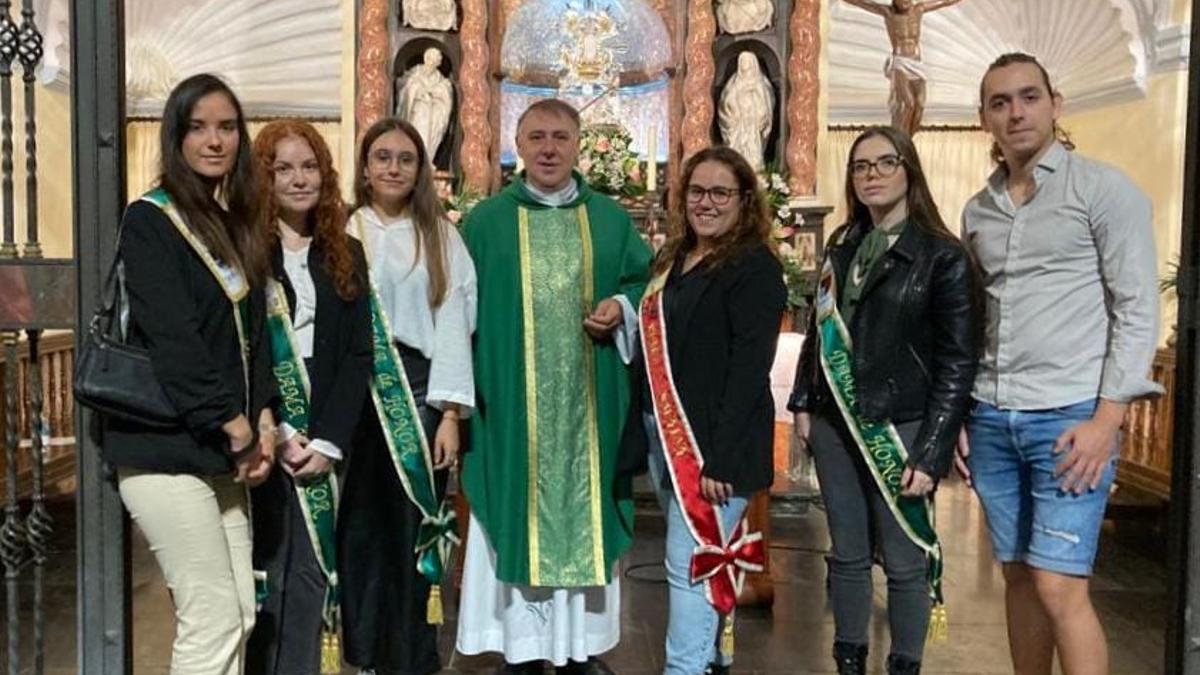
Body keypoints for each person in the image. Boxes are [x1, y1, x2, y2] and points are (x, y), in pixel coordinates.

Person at [956, 53, 1161, 675]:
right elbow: (978, 320)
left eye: (1028, 97)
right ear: (984, 118)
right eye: (1000, 102)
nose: (1016, 112)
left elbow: (1136, 308)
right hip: (993, 415)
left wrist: (1107, 420)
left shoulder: (1103, 189)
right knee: (1018, 579)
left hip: (1070, 416)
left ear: (1055, 103)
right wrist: (965, 413)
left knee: (1059, 587)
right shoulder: (978, 210)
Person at [455, 98, 652, 674]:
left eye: (560, 137)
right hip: (511, 410)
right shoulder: (486, 223)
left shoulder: (611, 220)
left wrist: (620, 305)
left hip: (590, 415)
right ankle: (521, 648)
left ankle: (580, 649)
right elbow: (457, 310)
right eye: (536, 136)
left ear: (578, 145)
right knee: (514, 518)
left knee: (584, 516)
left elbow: (647, 285)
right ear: (517, 143)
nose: (548, 148)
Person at [788, 126, 981, 675]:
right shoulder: (842, 244)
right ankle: (848, 659)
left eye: (884, 163)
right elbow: (817, 329)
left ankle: (904, 664)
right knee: (845, 552)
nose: (871, 175)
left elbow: (957, 360)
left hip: (903, 425)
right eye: (860, 166)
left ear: (909, 170)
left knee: (902, 558)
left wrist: (933, 450)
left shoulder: (942, 256)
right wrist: (804, 401)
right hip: (835, 421)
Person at [103, 73, 276, 674]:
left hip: (221, 448)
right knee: (213, 616)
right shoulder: (149, 221)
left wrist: (263, 418)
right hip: (163, 451)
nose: (214, 141)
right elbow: (174, 341)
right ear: (175, 136)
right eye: (198, 127)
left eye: (227, 127)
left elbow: (253, 340)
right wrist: (237, 429)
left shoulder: (232, 224)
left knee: (241, 616)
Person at [618, 145, 786, 675]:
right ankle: (712, 660)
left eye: (719, 193)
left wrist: (719, 457)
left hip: (711, 451)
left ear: (743, 201)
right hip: (664, 436)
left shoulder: (754, 266)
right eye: (696, 191)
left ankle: (684, 667)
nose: (706, 203)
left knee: (689, 565)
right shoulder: (675, 259)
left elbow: (748, 368)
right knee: (706, 558)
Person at [341, 116, 476, 675]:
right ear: (366, 168)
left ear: (421, 169)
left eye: (405, 158)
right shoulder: (344, 230)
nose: (394, 167)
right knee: (360, 527)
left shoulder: (441, 235)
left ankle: (414, 655)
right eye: (382, 157)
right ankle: (365, 652)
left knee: (412, 528)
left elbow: (455, 321)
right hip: (356, 391)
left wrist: (449, 413)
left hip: (418, 390)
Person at [245, 119, 373, 675]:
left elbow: (358, 357)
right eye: (284, 169)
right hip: (264, 422)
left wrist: (327, 439)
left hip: (324, 424)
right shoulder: (244, 249)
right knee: (266, 564)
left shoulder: (346, 253)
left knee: (312, 571)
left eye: (310, 165)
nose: (300, 179)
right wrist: (279, 426)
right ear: (263, 179)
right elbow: (245, 346)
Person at [841, 0, 963, 134]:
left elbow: (944, 2)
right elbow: (862, 3)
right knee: (909, 103)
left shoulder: (918, 10)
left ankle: (907, 141)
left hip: (916, 63)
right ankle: (900, 139)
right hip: (900, 63)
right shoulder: (888, 13)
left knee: (920, 105)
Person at [717, 52, 774, 174]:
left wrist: (761, 115)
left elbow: (766, 103)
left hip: (752, 123)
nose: (745, 65)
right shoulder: (734, 83)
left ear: (753, 63)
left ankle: (754, 171)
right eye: (742, 62)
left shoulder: (760, 82)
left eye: (747, 62)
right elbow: (726, 101)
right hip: (738, 123)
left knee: (753, 150)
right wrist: (735, 112)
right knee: (737, 150)